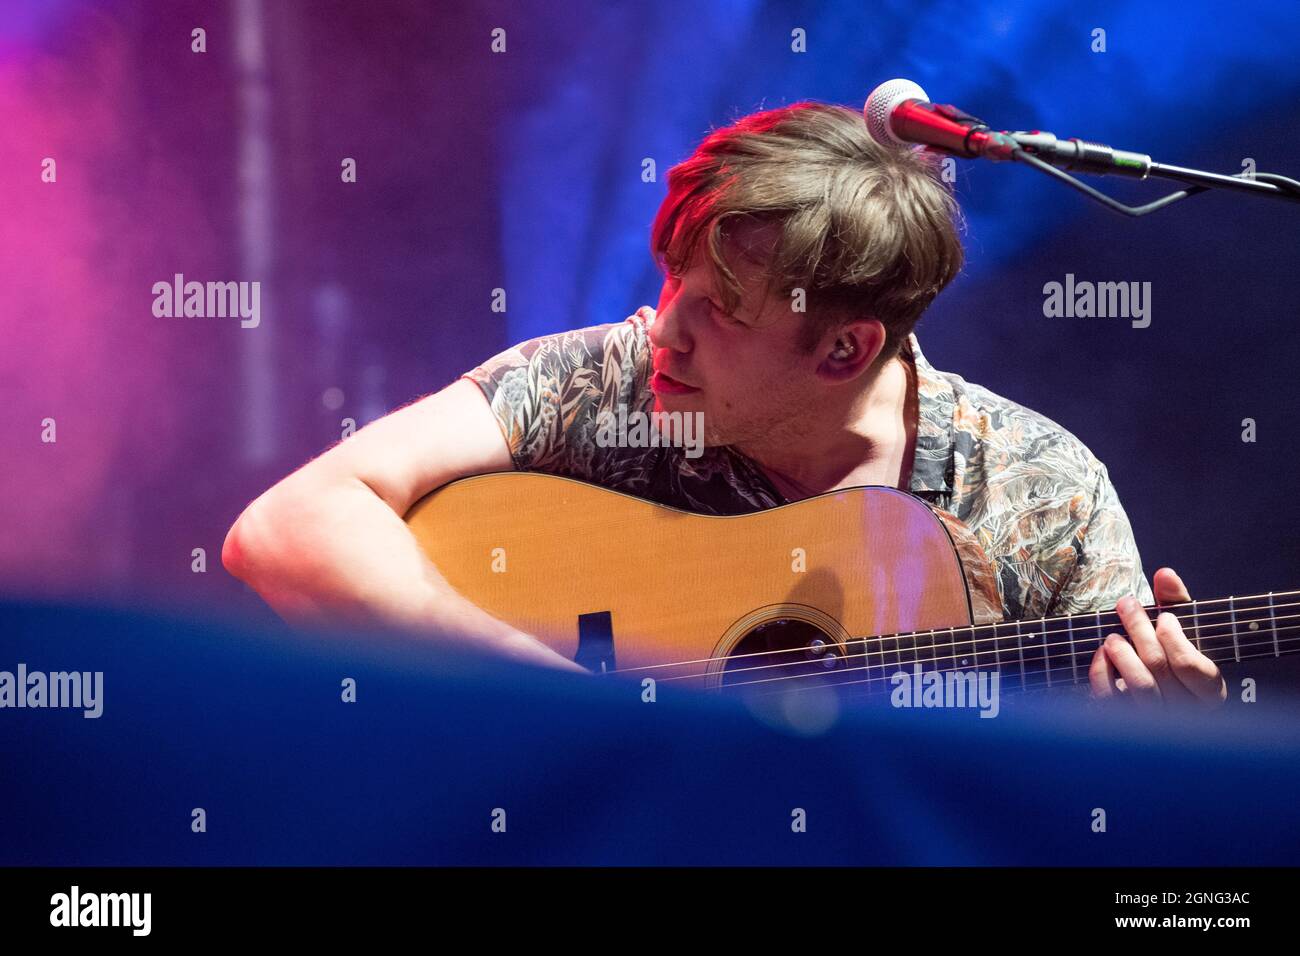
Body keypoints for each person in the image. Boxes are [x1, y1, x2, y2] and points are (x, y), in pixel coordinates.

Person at [223, 102, 1226, 708]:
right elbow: (283, 528)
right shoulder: (613, 378)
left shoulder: (1040, 494)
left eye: (719, 311)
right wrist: (557, 700)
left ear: (845, 347)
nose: (663, 330)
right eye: (670, 281)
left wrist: (1158, 726)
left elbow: (1122, 846)